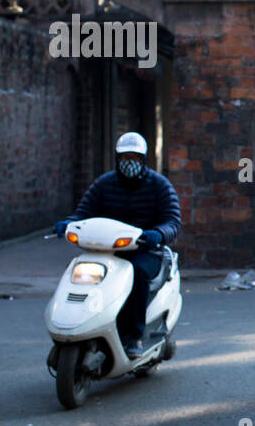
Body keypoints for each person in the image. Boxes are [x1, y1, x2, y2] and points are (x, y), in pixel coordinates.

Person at [54, 132, 181, 357]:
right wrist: (68, 224)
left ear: (144, 160)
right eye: (124, 158)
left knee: (137, 274)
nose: (129, 162)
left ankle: (133, 337)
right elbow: (83, 213)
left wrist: (158, 234)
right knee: (81, 273)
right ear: (117, 159)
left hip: (145, 251)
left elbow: (172, 221)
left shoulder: (159, 185)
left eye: (134, 157)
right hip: (107, 251)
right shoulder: (104, 184)